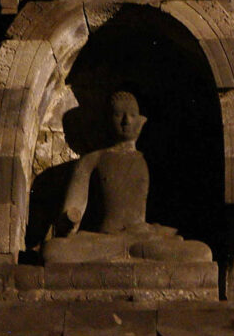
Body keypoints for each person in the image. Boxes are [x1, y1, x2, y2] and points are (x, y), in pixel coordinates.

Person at [43, 92, 213, 265]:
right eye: (118, 115)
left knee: (202, 253)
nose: (126, 121)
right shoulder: (91, 160)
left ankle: (128, 254)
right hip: (105, 241)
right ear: (107, 120)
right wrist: (70, 221)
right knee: (52, 251)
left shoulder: (150, 161)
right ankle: (129, 255)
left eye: (132, 115)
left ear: (141, 120)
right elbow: (70, 215)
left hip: (144, 239)